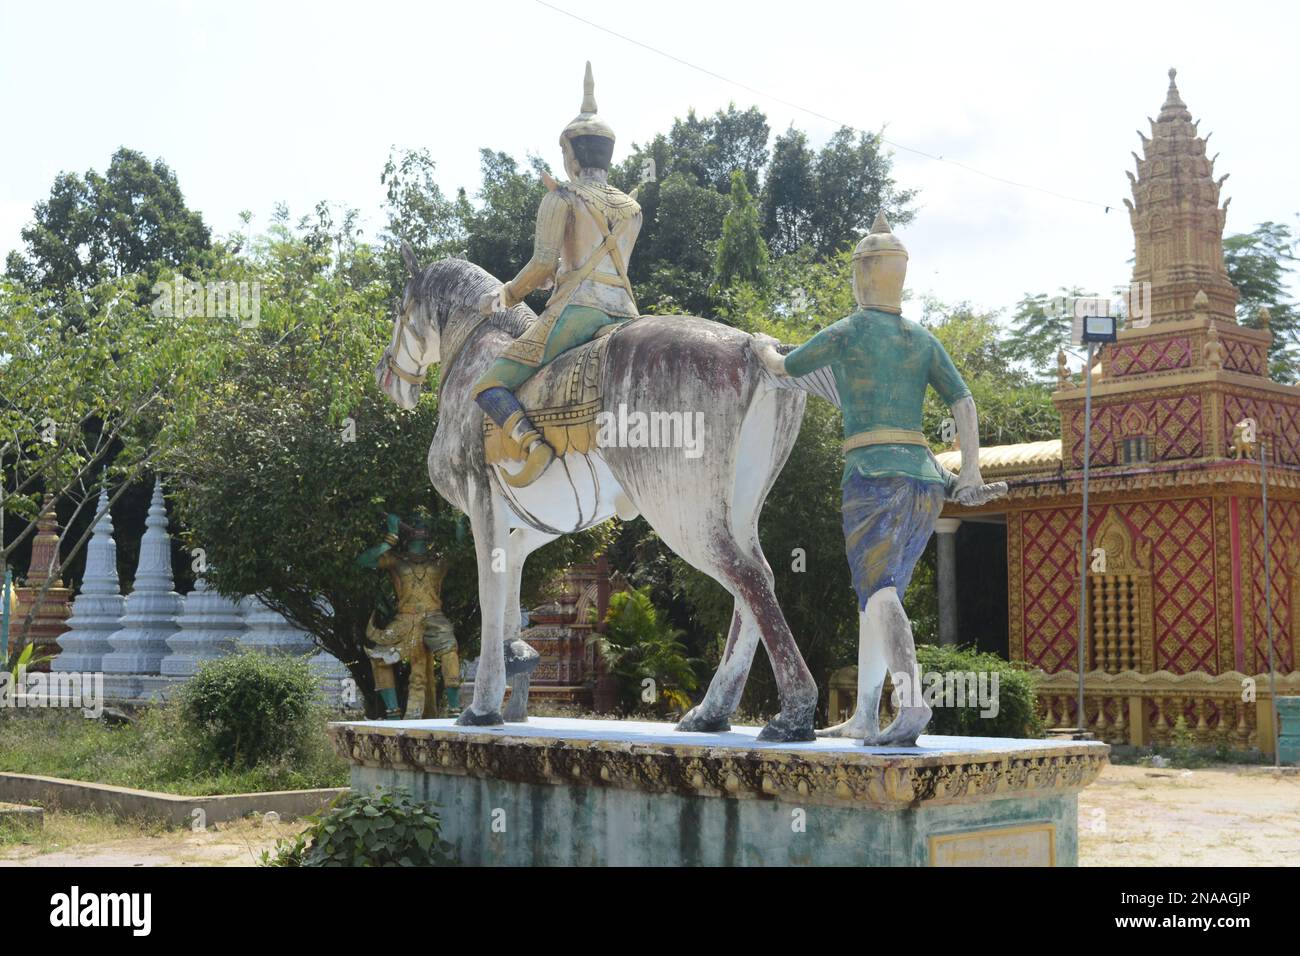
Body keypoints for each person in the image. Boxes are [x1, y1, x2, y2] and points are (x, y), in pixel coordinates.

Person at [751, 212, 1006, 745]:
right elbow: (963, 398)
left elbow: (786, 367)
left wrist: (760, 349)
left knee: (878, 589)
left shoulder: (849, 331)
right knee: (876, 594)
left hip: (873, 474)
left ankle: (911, 704)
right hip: (927, 480)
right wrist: (972, 469)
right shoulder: (920, 338)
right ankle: (866, 714)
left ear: (862, 273)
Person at [472, 62, 642, 487]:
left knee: (487, 385)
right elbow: (598, 265)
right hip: (626, 316)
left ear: (570, 152)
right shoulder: (632, 209)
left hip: (575, 315)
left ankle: (532, 446)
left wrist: (507, 296)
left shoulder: (561, 197)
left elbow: (543, 265)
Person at [356, 510, 460, 719]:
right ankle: (393, 713)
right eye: (415, 523)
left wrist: (460, 522)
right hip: (404, 619)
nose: (419, 527)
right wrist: (391, 535)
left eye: (424, 523)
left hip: (434, 617)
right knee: (379, 657)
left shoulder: (438, 560)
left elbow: (461, 550)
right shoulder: (397, 560)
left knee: (450, 651)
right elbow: (363, 561)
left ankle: (455, 710)